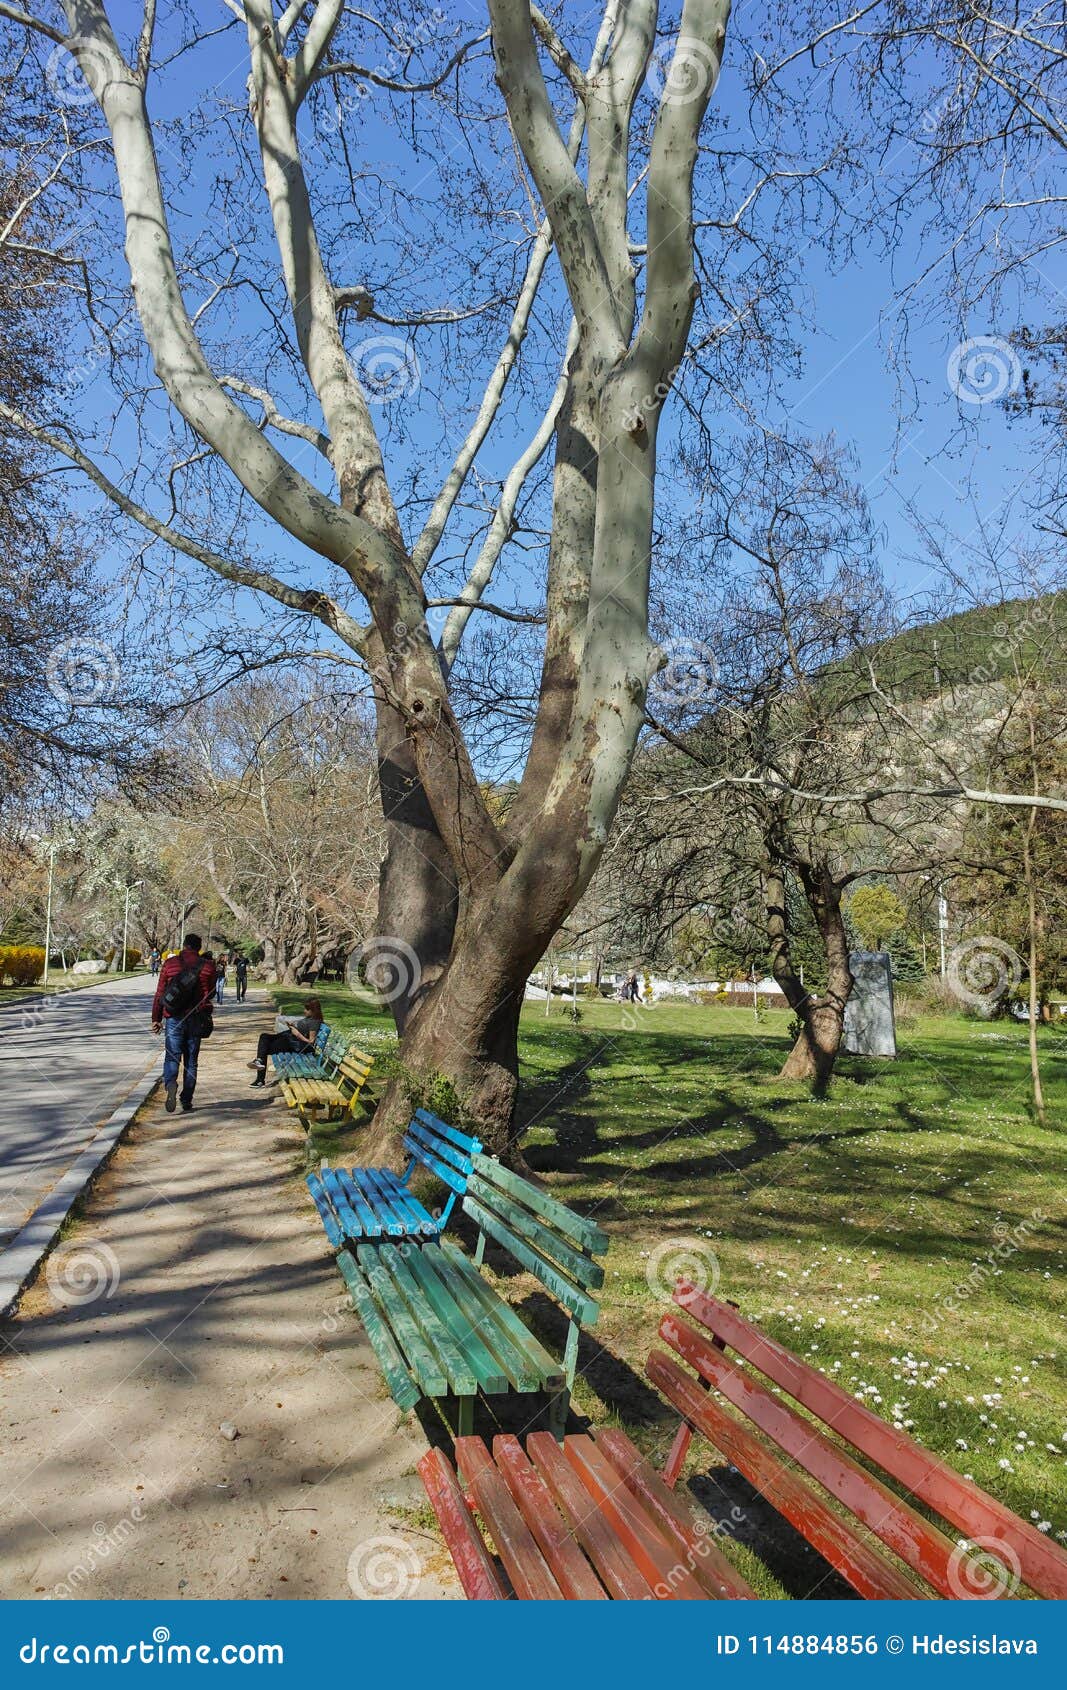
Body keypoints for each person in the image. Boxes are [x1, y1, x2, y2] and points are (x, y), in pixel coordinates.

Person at [151, 933, 216, 1113]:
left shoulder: (170, 964)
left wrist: (156, 1019)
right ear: (199, 947)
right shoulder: (209, 967)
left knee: (172, 1056)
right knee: (191, 1061)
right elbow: (211, 993)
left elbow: (160, 994)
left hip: (173, 1018)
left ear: (184, 945)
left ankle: (171, 1083)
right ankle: (186, 1099)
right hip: (196, 1018)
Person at [248, 997, 323, 1086]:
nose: (304, 1011)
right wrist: (292, 1024)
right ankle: (259, 1062)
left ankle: (260, 1078)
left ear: (314, 1010)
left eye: (307, 1009)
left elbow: (311, 1042)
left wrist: (297, 1033)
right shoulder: (309, 1018)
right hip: (289, 1038)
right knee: (264, 1037)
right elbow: (302, 1026)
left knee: (265, 1047)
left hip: (295, 1044)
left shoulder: (315, 1022)